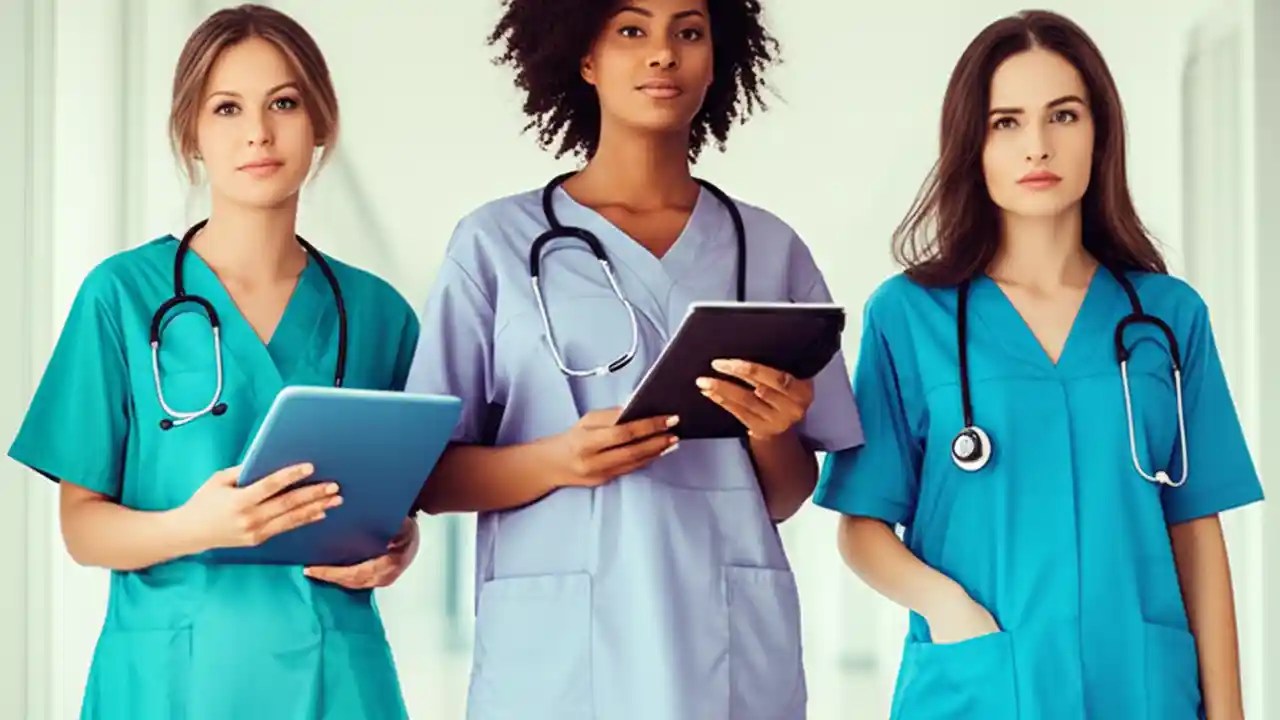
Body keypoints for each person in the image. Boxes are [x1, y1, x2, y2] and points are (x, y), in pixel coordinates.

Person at [405, 1, 862, 718]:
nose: (662, 54)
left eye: (688, 32)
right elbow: (427, 477)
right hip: (559, 654)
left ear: (716, 59)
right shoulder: (495, 243)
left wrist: (772, 430)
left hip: (726, 649)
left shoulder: (769, 250)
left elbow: (784, 495)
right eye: (631, 31)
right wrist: (559, 461)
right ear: (585, 57)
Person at [813, 10, 1263, 720]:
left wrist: (1231, 713)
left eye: (1064, 115)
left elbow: (1196, 529)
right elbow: (862, 527)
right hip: (981, 685)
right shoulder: (911, 316)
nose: (1038, 146)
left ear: (1100, 133)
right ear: (973, 144)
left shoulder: (1167, 317)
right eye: (1006, 122)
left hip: (1141, 688)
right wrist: (950, 610)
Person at [8, 5, 421, 718]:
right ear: (190, 133)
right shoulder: (124, 297)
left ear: (320, 122)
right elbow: (81, 529)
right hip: (171, 679)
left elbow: (399, 510)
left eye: (284, 104)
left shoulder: (378, 313)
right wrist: (200, 527)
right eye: (226, 108)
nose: (258, 132)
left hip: (338, 678)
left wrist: (398, 548)